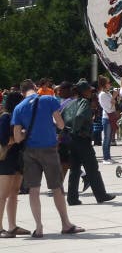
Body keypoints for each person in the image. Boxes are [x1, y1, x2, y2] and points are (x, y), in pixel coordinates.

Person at [11, 79, 84, 237]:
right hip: (49, 150)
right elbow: (61, 124)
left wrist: (25, 132)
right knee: (57, 188)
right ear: (35, 88)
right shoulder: (49, 99)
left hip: (30, 151)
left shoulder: (18, 108)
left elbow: (17, 138)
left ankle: (39, 227)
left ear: (22, 93)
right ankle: (65, 224)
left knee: (34, 190)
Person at [62, 80, 115, 205]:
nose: (91, 92)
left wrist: (68, 131)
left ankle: (72, 198)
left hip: (71, 140)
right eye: (89, 90)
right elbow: (79, 117)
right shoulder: (84, 102)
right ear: (84, 91)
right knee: (92, 167)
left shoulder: (70, 103)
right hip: (81, 139)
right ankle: (101, 195)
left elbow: (62, 116)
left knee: (74, 169)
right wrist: (76, 129)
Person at [0, 92, 28, 238]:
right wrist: (20, 136)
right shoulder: (6, 117)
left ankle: (12, 226)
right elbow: (4, 140)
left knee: (14, 193)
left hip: (17, 159)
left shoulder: (17, 118)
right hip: (5, 160)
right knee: (2, 195)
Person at [97, 76, 116, 164]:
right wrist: (114, 97)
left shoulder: (108, 93)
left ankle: (108, 157)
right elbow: (109, 107)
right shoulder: (102, 95)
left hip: (111, 117)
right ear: (104, 85)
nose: (110, 84)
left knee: (109, 138)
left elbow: (113, 105)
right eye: (108, 83)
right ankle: (105, 158)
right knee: (106, 138)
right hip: (107, 118)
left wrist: (114, 98)